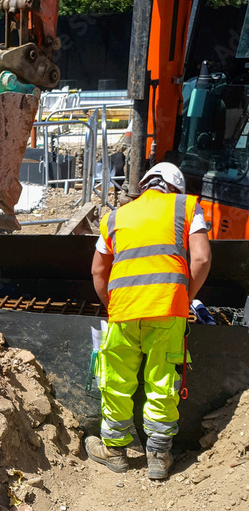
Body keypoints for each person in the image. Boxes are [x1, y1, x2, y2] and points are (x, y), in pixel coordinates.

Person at [85, 162, 212, 480]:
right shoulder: (185, 205)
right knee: (162, 381)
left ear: (144, 185)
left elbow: (98, 271)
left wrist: (113, 305)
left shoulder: (115, 216)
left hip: (124, 311)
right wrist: (183, 297)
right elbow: (201, 257)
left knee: (115, 381)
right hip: (167, 309)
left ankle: (114, 452)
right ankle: (157, 456)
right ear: (175, 187)